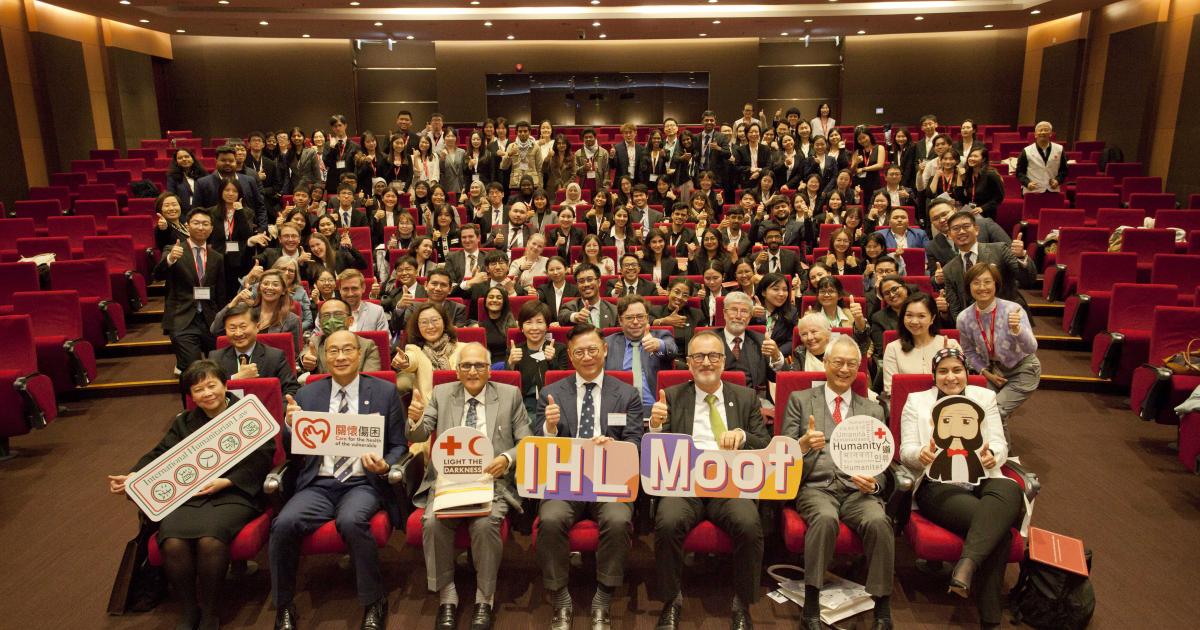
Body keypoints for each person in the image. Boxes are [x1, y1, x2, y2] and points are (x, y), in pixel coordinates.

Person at [108, 360, 272, 630]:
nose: (207, 394)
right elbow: (160, 454)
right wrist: (135, 475)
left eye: (211, 386)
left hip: (233, 493)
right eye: (198, 390)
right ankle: (188, 610)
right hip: (190, 496)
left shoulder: (246, 414)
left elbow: (263, 457)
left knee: (210, 540)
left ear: (224, 384)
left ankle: (210, 611)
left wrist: (227, 481)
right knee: (172, 541)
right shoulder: (184, 421)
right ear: (190, 395)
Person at [270, 330, 406, 630]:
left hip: (361, 482)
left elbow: (399, 445)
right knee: (283, 524)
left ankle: (374, 601)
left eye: (347, 350)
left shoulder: (384, 391)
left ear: (359, 354)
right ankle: (283, 606)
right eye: (333, 351)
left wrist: (386, 465)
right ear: (323, 357)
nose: (340, 357)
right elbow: (296, 448)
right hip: (319, 482)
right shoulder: (308, 394)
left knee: (352, 521)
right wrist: (290, 427)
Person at [648, 331, 770, 630]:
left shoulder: (745, 397)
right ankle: (671, 599)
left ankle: (743, 601)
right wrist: (654, 426)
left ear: (724, 360)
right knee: (666, 522)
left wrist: (741, 436)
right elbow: (654, 452)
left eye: (713, 356)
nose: (706, 362)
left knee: (749, 524)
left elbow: (764, 442)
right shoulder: (673, 396)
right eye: (698, 357)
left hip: (729, 485)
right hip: (684, 484)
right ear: (688, 363)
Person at [406, 342, 530, 630]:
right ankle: (447, 595)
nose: (472, 371)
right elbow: (422, 432)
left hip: (492, 481)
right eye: (466, 366)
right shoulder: (441, 393)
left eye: (479, 366)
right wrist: (415, 418)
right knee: (433, 522)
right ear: (457, 370)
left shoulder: (510, 395)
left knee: (485, 525)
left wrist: (506, 458)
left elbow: (525, 441)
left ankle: (484, 598)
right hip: (449, 479)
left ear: (489, 369)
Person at [900, 347, 1021, 630]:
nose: (951, 377)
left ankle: (966, 564)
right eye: (943, 371)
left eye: (957, 370)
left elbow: (1001, 444)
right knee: (997, 529)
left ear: (967, 372)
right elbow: (905, 450)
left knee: (1011, 490)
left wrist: (995, 455)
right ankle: (991, 620)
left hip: (983, 476)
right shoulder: (917, 402)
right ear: (934, 376)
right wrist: (921, 454)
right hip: (939, 483)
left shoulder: (985, 397)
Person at [532, 323, 643, 629]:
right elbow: (536, 445)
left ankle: (604, 598)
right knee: (551, 519)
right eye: (579, 351)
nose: (587, 356)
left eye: (593, 349)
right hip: (565, 478)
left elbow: (635, 442)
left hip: (610, 478)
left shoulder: (627, 393)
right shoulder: (552, 393)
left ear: (605, 350)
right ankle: (560, 598)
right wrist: (549, 429)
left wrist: (614, 447)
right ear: (569, 355)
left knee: (619, 520)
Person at [782, 335, 894, 630]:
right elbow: (782, 452)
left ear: (860, 368)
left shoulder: (873, 409)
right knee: (824, 519)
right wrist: (803, 445)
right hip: (817, 487)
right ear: (825, 363)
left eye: (851, 364)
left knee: (879, 521)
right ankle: (811, 601)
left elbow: (883, 461)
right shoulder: (801, 400)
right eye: (838, 362)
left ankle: (882, 606)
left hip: (859, 491)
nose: (844, 369)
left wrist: (876, 483)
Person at [957, 263, 1040, 422]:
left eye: (987, 282)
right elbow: (968, 352)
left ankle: (998, 448)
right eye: (976, 282)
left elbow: (1031, 348)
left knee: (995, 413)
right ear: (969, 287)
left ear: (996, 283)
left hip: (1024, 369)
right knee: (983, 411)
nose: (982, 287)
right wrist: (987, 373)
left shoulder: (1013, 309)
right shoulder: (964, 318)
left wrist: (1017, 330)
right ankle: (999, 447)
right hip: (993, 371)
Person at [156, 208, 226, 375]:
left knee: (219, 369)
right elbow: (157, 275)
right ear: (188, 226)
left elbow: (221, 293)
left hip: (210, 321)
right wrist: (171, 259)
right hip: (182, 319)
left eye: (205, 224)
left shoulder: (217, 257)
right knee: (193, 370)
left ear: (211, 228)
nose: (201, 227)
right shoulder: (173, 249)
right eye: (196, 223)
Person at [941, 211, 1035, 318]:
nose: (961, 231)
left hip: (1010, 319)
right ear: (949, 235)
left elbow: (1028, 279)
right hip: (975, 326)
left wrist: (1020, 256)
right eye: (956, 228)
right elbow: (955, 309)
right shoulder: (948, 270)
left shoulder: (999, 249)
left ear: (976, 230)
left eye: (966, 226)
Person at [210, 303, 301, 396]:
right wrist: (235, 379)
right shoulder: (216, 358)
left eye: (243, 327)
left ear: (257, 327)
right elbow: (209, 390)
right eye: (232, 328)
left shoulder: (275, 357)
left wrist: (277, 409)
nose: (238, 333)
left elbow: (292, 389)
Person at [604, 295, 677, 408]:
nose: (635, 322)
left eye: (640, 317)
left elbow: (672, 350)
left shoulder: (661, 335)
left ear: (647, 318)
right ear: (620, 320)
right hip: (619, 408)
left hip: (655, 407)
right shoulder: (608, 343)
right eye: (629, 318)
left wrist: (659, 345)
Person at [882, 293, 961, 398]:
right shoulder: (893, 348)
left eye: (921, 316)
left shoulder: (950, 345)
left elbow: (961, 384)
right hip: (907, 408)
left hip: (945, 404)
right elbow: (891, 390)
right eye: (909, 315)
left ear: (932, 318)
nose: (914, 321)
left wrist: (947, 362)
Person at [213, 269, 302, 353]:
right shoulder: (246, 311)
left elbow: (294, 353)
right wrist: (233, 303)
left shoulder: (292, 320)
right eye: (265, 283)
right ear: (259, 288)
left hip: (273, 365)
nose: (269, 287)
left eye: (275, 284)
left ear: (283, 291)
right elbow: (215, 329)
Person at [393, 301, 467, 397]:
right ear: (418, 327)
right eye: (424, 322)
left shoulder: (464, 349)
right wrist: (404, 360)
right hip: (429, 408)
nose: (430, 326)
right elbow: (411, 359)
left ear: (444, 323)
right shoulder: (415, 350)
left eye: (435, 320)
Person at [507, 301, 568, 412]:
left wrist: (552, 360)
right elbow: (506, 387)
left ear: (547, 326)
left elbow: (564, 384)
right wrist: (511, 364)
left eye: (539, 322)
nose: (534, 328)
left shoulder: (559, 349)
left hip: (552, 406)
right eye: (528, 322)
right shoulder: (514, 350)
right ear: (521, 327)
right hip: (522, 407)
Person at [721, 291, 784, 397]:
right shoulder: (708, 340)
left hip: (756, 402)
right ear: (724, 313)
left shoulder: (761, 341)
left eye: (744, 311)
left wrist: (776, 356)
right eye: (733, 310)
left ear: (750, 317)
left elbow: (777, 377)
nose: (738, 316)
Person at [298, 299, 382, 375]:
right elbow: (305, 354)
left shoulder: (367, 345)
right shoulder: (315, 342)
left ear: (350, 321)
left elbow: (370, 381)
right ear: (320, 322)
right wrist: (306, 360)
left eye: (338, 315)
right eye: (326, 316)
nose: (332, 320)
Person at [558, 262, 618, 328]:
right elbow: (562, 317)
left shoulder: (613, 310)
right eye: (581, 281)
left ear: (599, 282)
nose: (586, 284)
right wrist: (575, 316)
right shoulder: (570, 306)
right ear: (577, 285)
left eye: (590, 279)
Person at [1015, 120, 1067, 196]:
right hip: (1032, 191)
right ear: (1035, 134)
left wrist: (1058, 181)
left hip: (1052, 191)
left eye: (1046, 130)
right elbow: (1019, 172)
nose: (1043, 132)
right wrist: (1027, 183)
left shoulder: (1059, 149)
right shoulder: (1026, 150)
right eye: (1040, 130)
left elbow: (1064, 170)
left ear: (1050, 134)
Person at [755, 272, 799, 358]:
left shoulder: (791, 311)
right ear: (763, 292)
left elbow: (792, 341)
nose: (781, 294)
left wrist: (776, 353)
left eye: (785, 289)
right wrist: (750, 315)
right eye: (776, 289)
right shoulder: (752, 309)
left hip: (779, 358)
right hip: (754, 357)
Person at [962, 147, 1005, 219]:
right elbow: (964, 197)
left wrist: (982, 208)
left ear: (983, 159)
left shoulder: (991, 174)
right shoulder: (968, 174)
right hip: (971, 212)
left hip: (986, 214)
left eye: (975, 156)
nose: (971, 158)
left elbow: (999, 197)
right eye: (970, 156)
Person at [501, 120, 543, 189]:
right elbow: (504, 166)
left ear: (529, 132)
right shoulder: (511, 146)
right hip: (516, 184)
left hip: (532, 184)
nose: (523, 133)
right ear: (516, 132)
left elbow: (539, 169)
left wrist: (540, 186)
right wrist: (509, 154)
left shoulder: (536, 147)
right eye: (520, 131)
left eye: (525, 131)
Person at [480, 286, 516, 364]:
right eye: (491, 297)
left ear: (504, 302)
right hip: (488, 367)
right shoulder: (480, 327)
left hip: (509, 365)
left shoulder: (513, 325)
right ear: (485, 302)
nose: (494, 300)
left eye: (499, 298)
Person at [167, 147, 207, 211]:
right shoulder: (172, 177)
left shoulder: (203, 174)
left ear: (192, 159)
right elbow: (172, 196)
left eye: (187, 156)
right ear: (176, 162)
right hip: (183, 212)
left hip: (203, 210)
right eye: (180, 158)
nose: (184, 159)